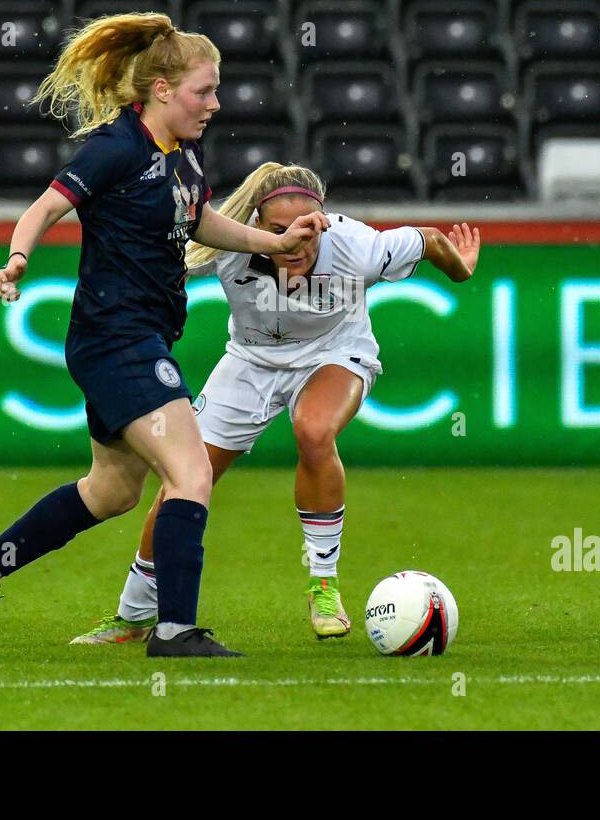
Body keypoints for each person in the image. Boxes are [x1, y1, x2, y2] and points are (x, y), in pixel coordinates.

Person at [0, 13, 329, 658]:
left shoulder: (183, 153)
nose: (214, 103)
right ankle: (175, 630)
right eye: (202, 91)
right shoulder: (116, 147)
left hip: (136, 337)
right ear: (160, 90)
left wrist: (274, 242)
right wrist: (18, 259)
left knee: (112, 491)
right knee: (191, 472)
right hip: (116, 340)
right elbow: (46, 206)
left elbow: (200, 220)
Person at [70, 162, 480, 645]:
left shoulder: (358, 247)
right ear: (257, 226)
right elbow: (149, 259)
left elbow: (430, 239)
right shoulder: (227, 245)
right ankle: (135, 615)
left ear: (324, 223)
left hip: (335, 353)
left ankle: (323, 586)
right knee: (186, 476)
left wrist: (461, 269)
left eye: (308, 230)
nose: (297, 242)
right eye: (279, 230)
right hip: (249, 361)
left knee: (313, 429)